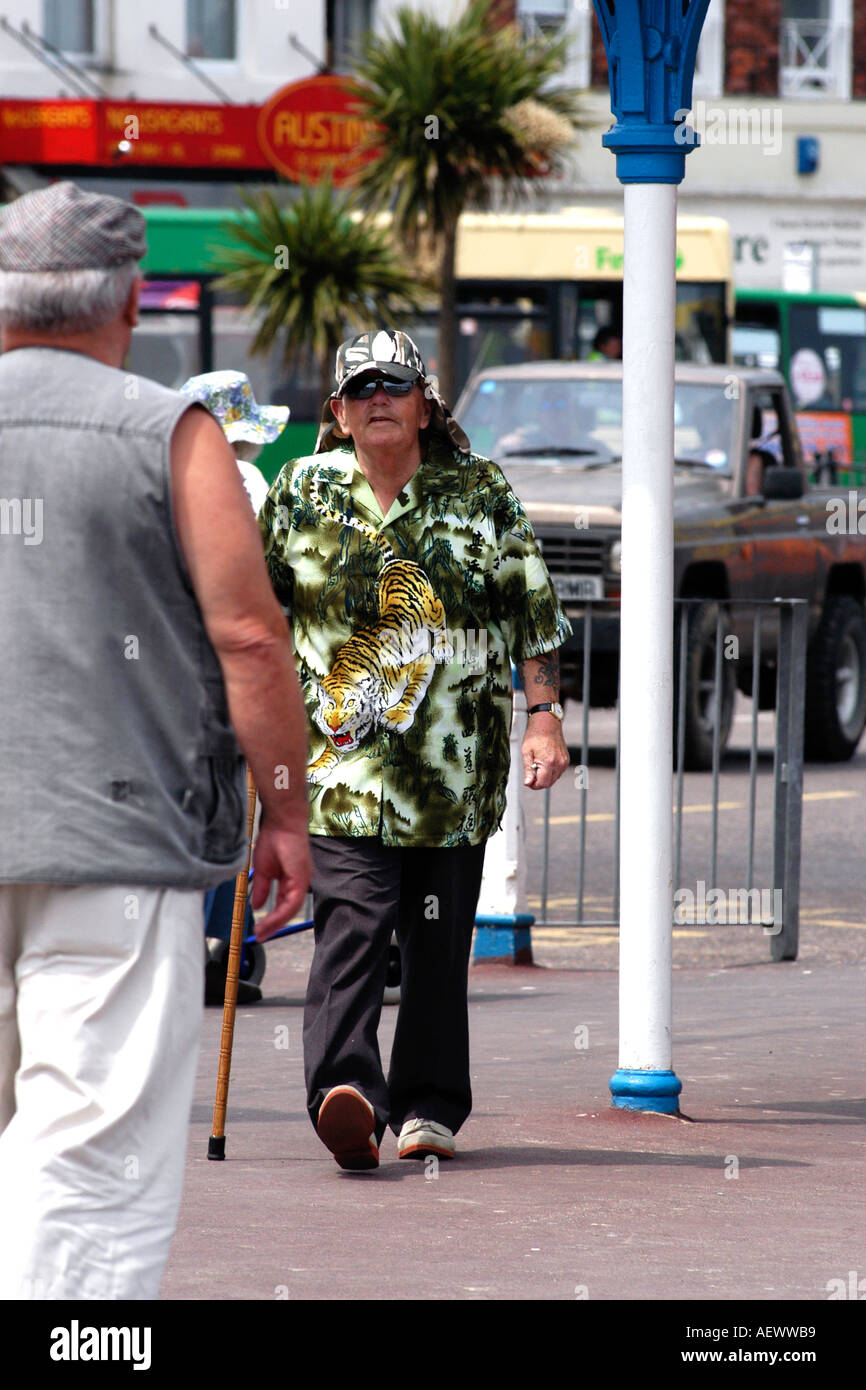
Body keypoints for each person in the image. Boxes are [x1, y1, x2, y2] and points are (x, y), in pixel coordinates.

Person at [0, 181, 311, 1300]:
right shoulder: (170, 433)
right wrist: (284, 809)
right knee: (85, 1165)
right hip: (117, 858)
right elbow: (249, 636)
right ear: (132, 300)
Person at [259, 328, 572, 1171]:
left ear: (427, 404)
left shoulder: (482, 494)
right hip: (339, 768)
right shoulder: (297, 493)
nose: (378, 399)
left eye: (394, 385)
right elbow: (254, 619)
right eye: (361, 388)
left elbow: (533, 615)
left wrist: (544, 716)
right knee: (351, 928)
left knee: (435, 944)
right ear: (336, 411)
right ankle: (345, 1096)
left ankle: (429, 1104)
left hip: (453, 771)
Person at [179, 370, 291, 1004]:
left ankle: (218, 949)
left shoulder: (173, 477)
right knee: (227, 821)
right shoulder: (243, 483)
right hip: (232, 676)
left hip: (182, 675)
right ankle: (224, 950)